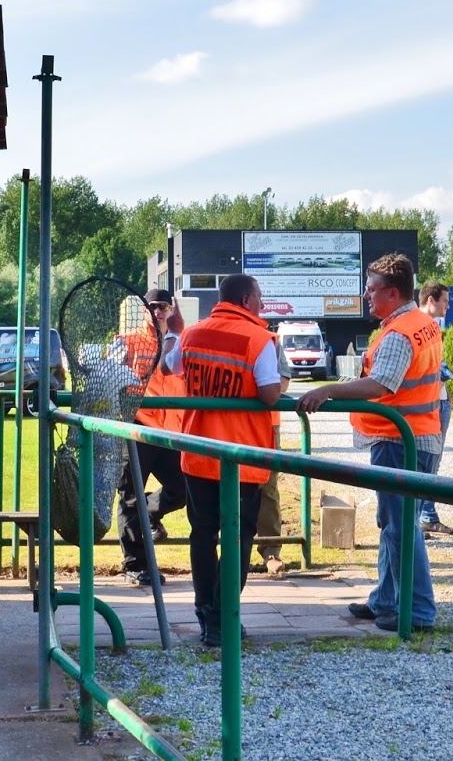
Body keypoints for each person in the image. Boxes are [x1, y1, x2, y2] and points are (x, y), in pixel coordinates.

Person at [297, 253, 441, 632]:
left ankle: (419, 612)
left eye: (371, 289)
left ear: (393, 293)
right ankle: (386, 602)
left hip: (399, 439)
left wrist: (328, 389)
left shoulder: (397, 335)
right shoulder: (421, 323)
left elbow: (380, 385)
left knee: (400, 528)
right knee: (394, 523)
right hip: (416, 435)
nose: (365, 295)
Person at [176, 274, 282, 647]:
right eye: (259, 297)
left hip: (199, 453)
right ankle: (223, 619)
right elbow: (270, 394)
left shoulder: (193, 334)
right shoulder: (258, 338)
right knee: (238, 535)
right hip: (241, 456)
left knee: (203, 533)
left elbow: (169, 369)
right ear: (246, 299)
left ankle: (205, 612)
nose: (262, 304)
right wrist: (283, 385)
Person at [116, 289, 189, 586]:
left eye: (164, 306)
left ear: (171, 309)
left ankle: (147, 514)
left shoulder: (180, 339)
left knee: (183, 488)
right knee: (130, 495)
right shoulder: (127, 341)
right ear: (143, 309)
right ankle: (135, 565)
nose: (159, 311)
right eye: (153, 306)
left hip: (169, 430)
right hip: (138, 426)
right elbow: (112, 375)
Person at [415, 281, 453, 537]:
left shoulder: (433, 326)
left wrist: (446, 393)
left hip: (438, 400)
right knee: (427, 463)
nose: (448, 306)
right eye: (444, 301)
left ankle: (425, 515)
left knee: (433, 463)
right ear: (430, 300)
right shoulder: (419, 326)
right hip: (428, 404)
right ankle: (424, 516)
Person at [254, 349, 293, 576]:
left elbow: (283, 384)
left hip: (266, 424)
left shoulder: (270, 341)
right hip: (230, 422)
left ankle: (271, 551)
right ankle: (229, 549)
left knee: (267, 486)